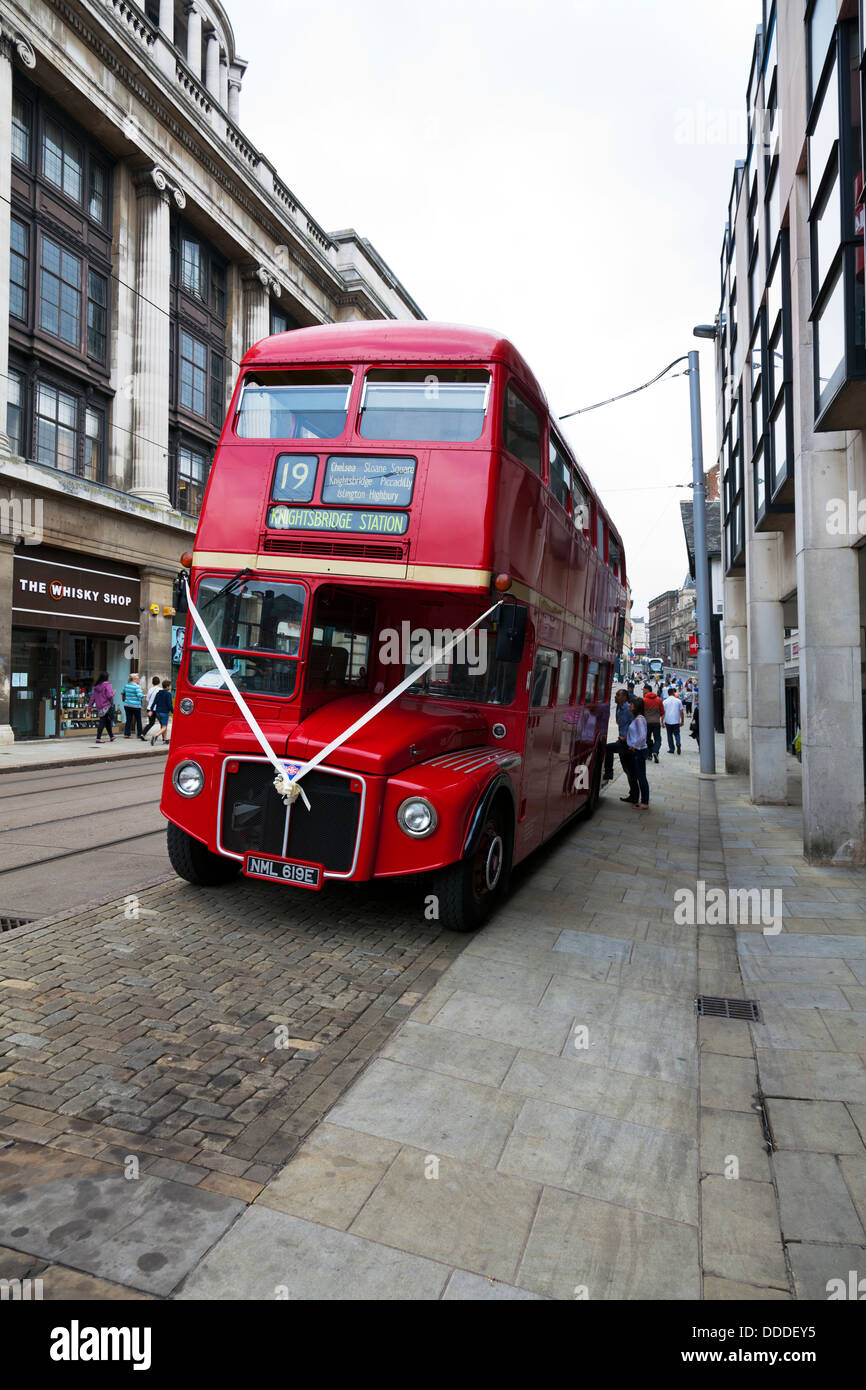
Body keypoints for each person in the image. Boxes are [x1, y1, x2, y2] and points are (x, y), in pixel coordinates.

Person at [603, 688, 633, 784]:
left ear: (624, 697)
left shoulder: (628, 709)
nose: (615, 697)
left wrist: (627, 737)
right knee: (627, 768)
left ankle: (609, 772)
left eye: (618, 695)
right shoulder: (620, 708)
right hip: (622, 740)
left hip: (627, 742)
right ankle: (633, 793)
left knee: (608, 748)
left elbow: (634, 725)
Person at [626, 696, 650, 808]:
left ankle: (645, 802)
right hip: (638, 750)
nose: (629, 706)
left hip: (639, 751)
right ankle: (644, 800)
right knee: (640, 776)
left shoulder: (639, 719)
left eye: (631, 704)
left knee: (641, 777)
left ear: (636, 707)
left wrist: (634, 746)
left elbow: (642, 736)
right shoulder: (637, 718)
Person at [87, 672, 116, 744]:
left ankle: (111, 736)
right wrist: (113, 693)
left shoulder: (96, 687)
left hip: (100, 707)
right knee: (103, 722)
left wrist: (89, 708)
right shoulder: (107, 685)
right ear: (106, 677)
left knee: (107, 721)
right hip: (106, 706)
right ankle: (98, 738)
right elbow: (109, 695)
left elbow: (92, 698)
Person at [643, 683, 664, 763]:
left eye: (644, 691)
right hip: (656, 722)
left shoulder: (644, 700)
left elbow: (641, 712)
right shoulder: (658, 699)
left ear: (647, 690)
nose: (643, 693)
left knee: (647, 739)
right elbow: (662, 712)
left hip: (647, 723)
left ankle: (649, 755)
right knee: (658, 739)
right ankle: (655, 751)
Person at [121, 672, 145, 740]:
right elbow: (139, 695)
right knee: (138, 720)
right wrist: (144, 695)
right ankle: (139, 734)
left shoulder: (126, 685)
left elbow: (122, 692)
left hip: (127, 705)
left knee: (128, 719)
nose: (139, 680)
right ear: (134, 679)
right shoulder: (137, 686)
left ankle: (127, 734)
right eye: (138, 678)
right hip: (135, 706)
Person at [150, 679, 173, 745]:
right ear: (167, 686)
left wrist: (151, 710)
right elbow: (169, 704)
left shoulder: (158, 693)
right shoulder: (168, 694)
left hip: (157, 712)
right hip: (164, 712)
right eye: (170, 686)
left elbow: (154, 702)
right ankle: (156, 736)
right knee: (164, 727)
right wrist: (173, 711)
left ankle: (165, 739)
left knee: (163, 726)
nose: (170, 687)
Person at [663, 685, 684, 754]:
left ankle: (671, 749)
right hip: (676, 720)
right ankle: (678, 743)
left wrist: (662, 721)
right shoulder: (678, 701)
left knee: (669, 735)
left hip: (668, 720)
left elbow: (663, 712)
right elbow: (681, 712)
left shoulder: (665, 701)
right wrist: (682, 720)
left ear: (668, 694)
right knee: (677, 734)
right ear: (673, 693)